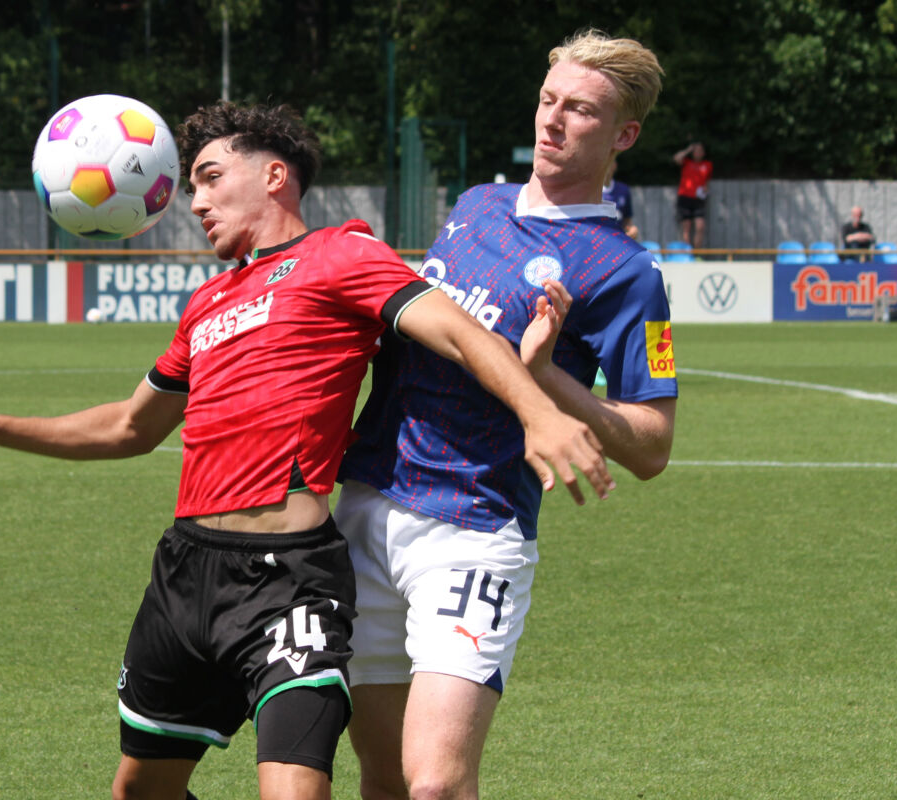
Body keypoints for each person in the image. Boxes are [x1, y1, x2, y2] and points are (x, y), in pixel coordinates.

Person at [0, 101, 613, 800]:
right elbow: (131, 427)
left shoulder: (343, 254)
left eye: (210, 177)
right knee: (139, 790)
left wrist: (537, 413)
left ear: (274, 176)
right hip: (185, 574)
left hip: (290, 581)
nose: (195, 201)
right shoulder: (207, 303)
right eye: (192, 186)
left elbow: (459, 332)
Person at [334, 30, 678, 800]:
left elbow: (653, 445)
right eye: (549, 100)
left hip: (473, 530)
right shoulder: (475, 205)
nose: (553, 120)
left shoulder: (627, 274)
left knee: (436, 784)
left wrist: (547, 376)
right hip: (366, 505)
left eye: (580, 110)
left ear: (623, 135)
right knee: (383, 779)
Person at [673, 140, 711, 250]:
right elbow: (676, 158)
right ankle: (688, 254)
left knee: (700, 226)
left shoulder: (707, 165)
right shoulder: (686, 162)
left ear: (703, 152)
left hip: (698, 199)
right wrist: (688, 149)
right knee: (686, 228)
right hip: (685, 197)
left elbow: (707, 182)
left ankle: (697, 254)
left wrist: (706, 190)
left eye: (700, 150)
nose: (698, 152)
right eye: (696, 150)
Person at [601, 159, 634, 235]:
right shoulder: (591, 191)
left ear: (614, 165)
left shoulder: (623, 190)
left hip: (618, 238)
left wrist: (631, 230)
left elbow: (627, 219)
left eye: (609, 161)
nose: (606, 165)